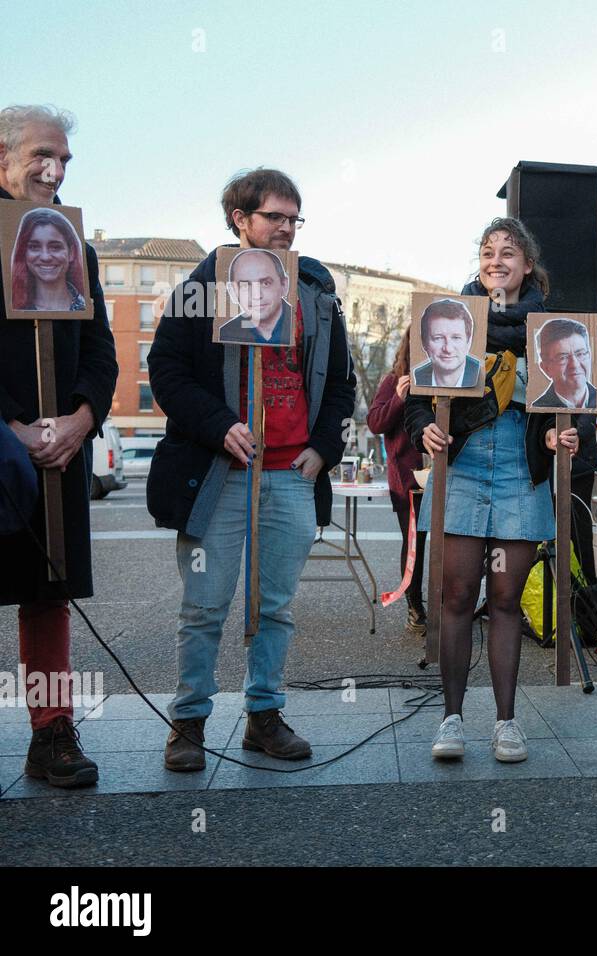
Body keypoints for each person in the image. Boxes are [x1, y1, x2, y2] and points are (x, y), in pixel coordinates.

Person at [148, 167, 356, 772]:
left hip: (293, 473)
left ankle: (263, 715)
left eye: (294, 219)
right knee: (205, 605)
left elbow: (339, 384)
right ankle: (188, 723)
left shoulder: (316, 291)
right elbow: (167, 373)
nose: (287, 229)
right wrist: (219, 425)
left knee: (276, 607)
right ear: (240, 219)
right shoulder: (201, 288)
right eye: (274, 217)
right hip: (220, 473)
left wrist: (323, 449)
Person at [405, 216, 576, 764]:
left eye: (509, 252)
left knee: (505, 602)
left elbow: (581, 397)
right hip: (464, 472)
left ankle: (506, 724)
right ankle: (451, 720)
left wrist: (558, 433)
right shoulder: (448, 319)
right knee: (454, 599)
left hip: (519, 478)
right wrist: (421, 426)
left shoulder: (552, 326)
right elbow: (411, 396)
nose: (496, 260)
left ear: (528, 265)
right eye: (487, 252)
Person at [0, 104, 118, 787]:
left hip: (61, 450)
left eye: (65, 159)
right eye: (44, 154)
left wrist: (79, 419)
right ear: (4, 160)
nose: (56, 168)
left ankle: (51, 735)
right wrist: (12, 425)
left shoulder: (75, 244)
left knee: (47, 593)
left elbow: (100, 350)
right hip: (4, 444)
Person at [366, 323, 427, 637]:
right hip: (408, 479)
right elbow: (375, 421)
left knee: (449, 544)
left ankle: (445, 606)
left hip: (445, 476)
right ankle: (415, 607)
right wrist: (399, 399)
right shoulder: (394, 380)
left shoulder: (449, 380)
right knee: (415, 542)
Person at [9, 206, 87, 312]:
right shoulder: (12, 308)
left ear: (71, 253)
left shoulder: (86, 307)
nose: (45, 257)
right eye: (34, 247)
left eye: (55, 247)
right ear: (24, 252)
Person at [215, 248, 292, 345]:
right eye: (245, 286)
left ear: (284, 285)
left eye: (265, 283)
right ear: (233, 292)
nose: (257, 296)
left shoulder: (304, 325)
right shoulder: (225, 333)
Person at [411, 298, 483, 388]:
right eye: (438, 338)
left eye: (456, 338)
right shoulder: (416, 378)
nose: (448, 349)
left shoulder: (484, 376)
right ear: (424, 342)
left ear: (468, 341)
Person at [533, 318, 597, 408]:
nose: (574, 365)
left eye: (580, 354)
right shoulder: (537, 411)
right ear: (546, 368)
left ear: (590, 356)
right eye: (563, 357)